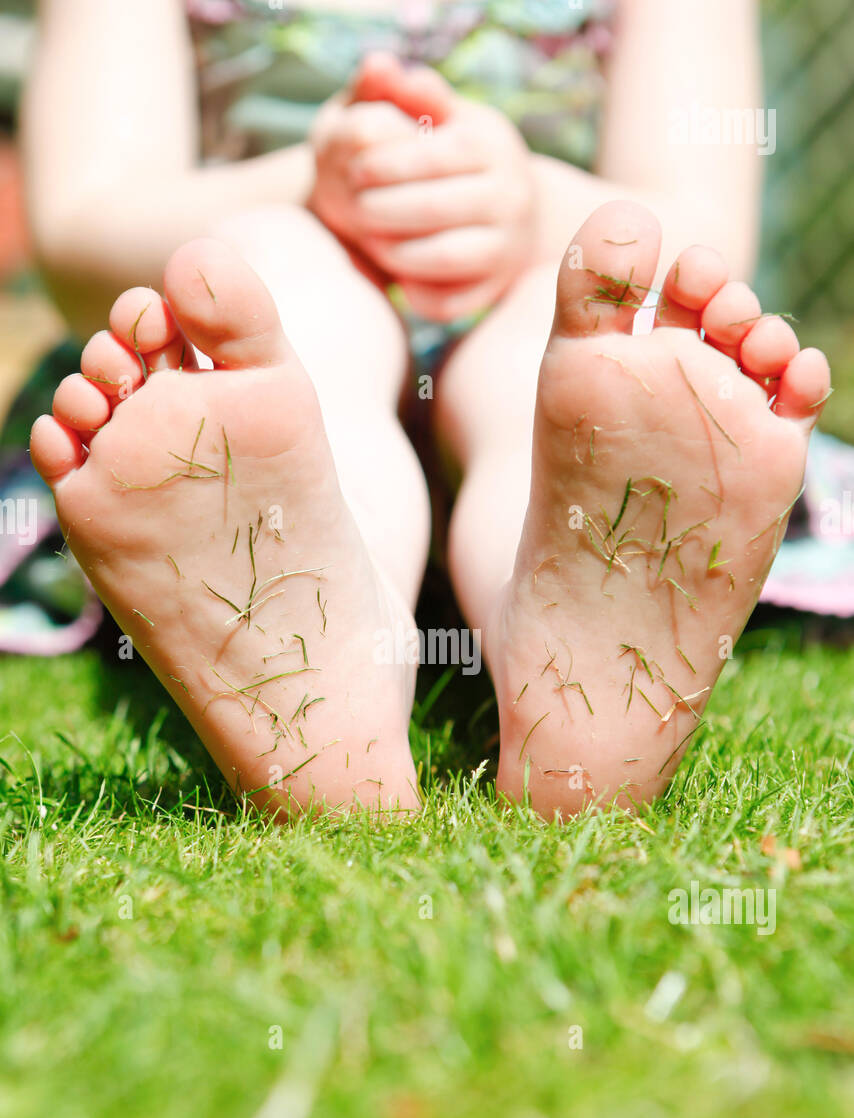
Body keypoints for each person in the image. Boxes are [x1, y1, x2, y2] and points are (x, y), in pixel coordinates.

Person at [20, 0, 832, 816]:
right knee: (279, 290)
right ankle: (350, 637)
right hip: (264, 329)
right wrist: (309, 186)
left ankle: (529, 653)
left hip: (548, 299)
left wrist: (525, 200)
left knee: (562, 371)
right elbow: (83, 222)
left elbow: (700, 219)